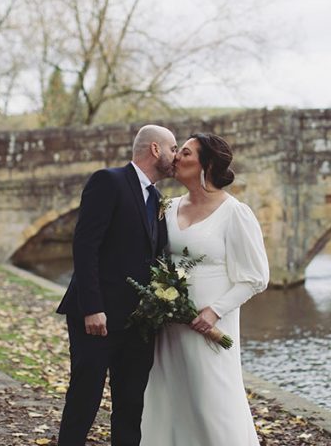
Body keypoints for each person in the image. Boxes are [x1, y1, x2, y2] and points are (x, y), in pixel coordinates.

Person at [140, 133, 270, 445]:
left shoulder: (235, 213)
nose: (176, 157)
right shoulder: (167, 207)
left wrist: (214, 311)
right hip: (170, 324)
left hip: (210, 326)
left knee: (213, 401)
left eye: (185, 153)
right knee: (167, 397)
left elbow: (256, 277)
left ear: (207, 165)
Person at [57, 125, 178, 446]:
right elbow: (86, 246)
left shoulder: (158, 198)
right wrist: (92, 307)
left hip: (139, 322)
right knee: (85, 397)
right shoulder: (108, 181)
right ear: (155, 149)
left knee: (130, 403)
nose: (176, 155)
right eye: (173, 148)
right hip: (98, 317)